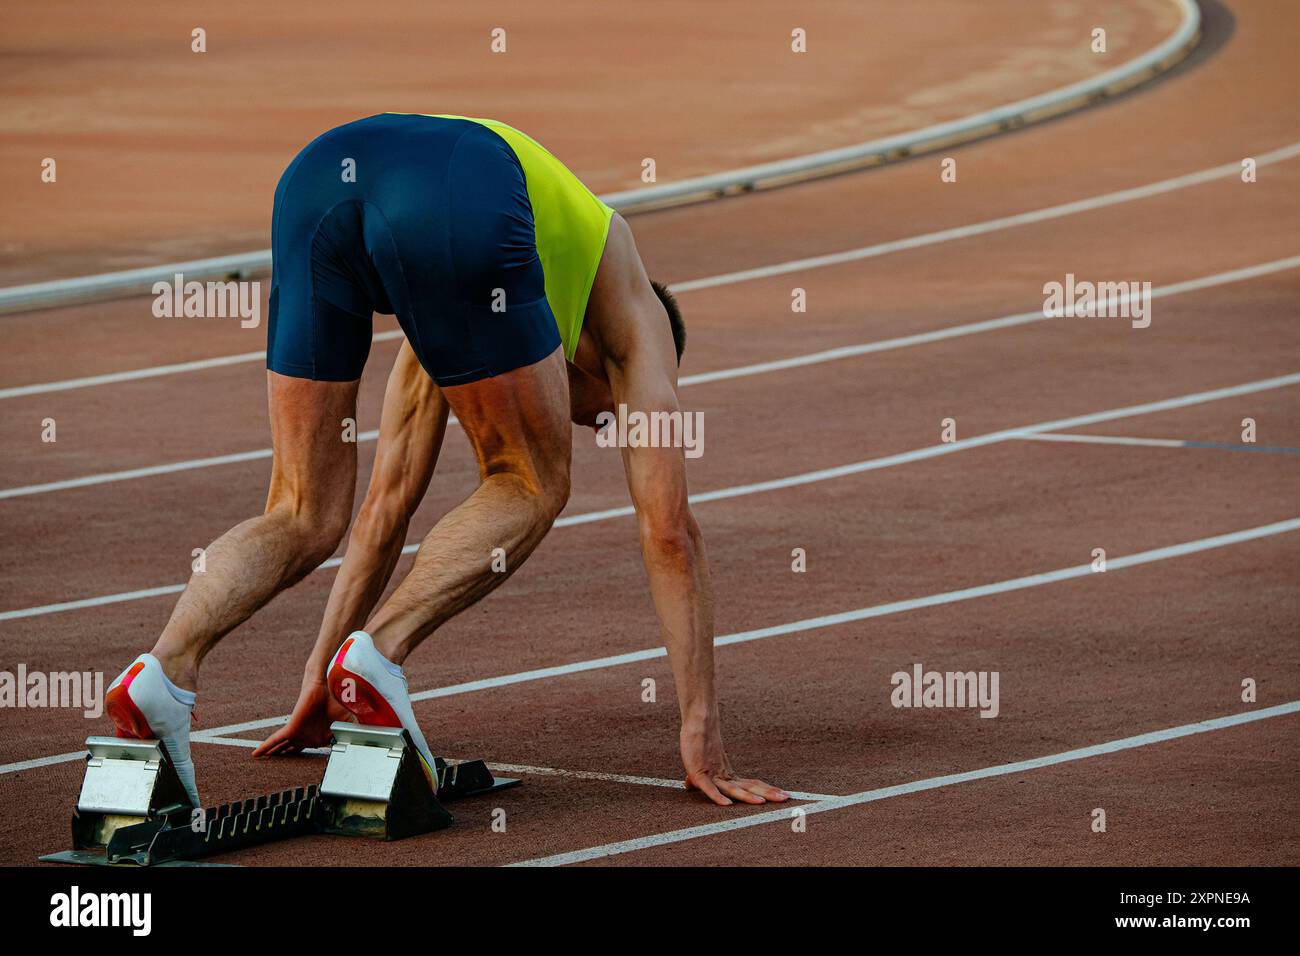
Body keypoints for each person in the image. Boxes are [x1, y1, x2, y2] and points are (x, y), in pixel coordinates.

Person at [107, 113, 788, 810]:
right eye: (602, 418)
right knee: (532, 481)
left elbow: (386, 501)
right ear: (610, 381)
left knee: (302, 511)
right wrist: (701, 734)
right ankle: (382, 655)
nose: (596, 426)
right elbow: (671, 533)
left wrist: (322, 677)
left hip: (318, 179)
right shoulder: (643, 332)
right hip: (461, 189)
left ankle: (163, 672)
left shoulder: (473, 309)